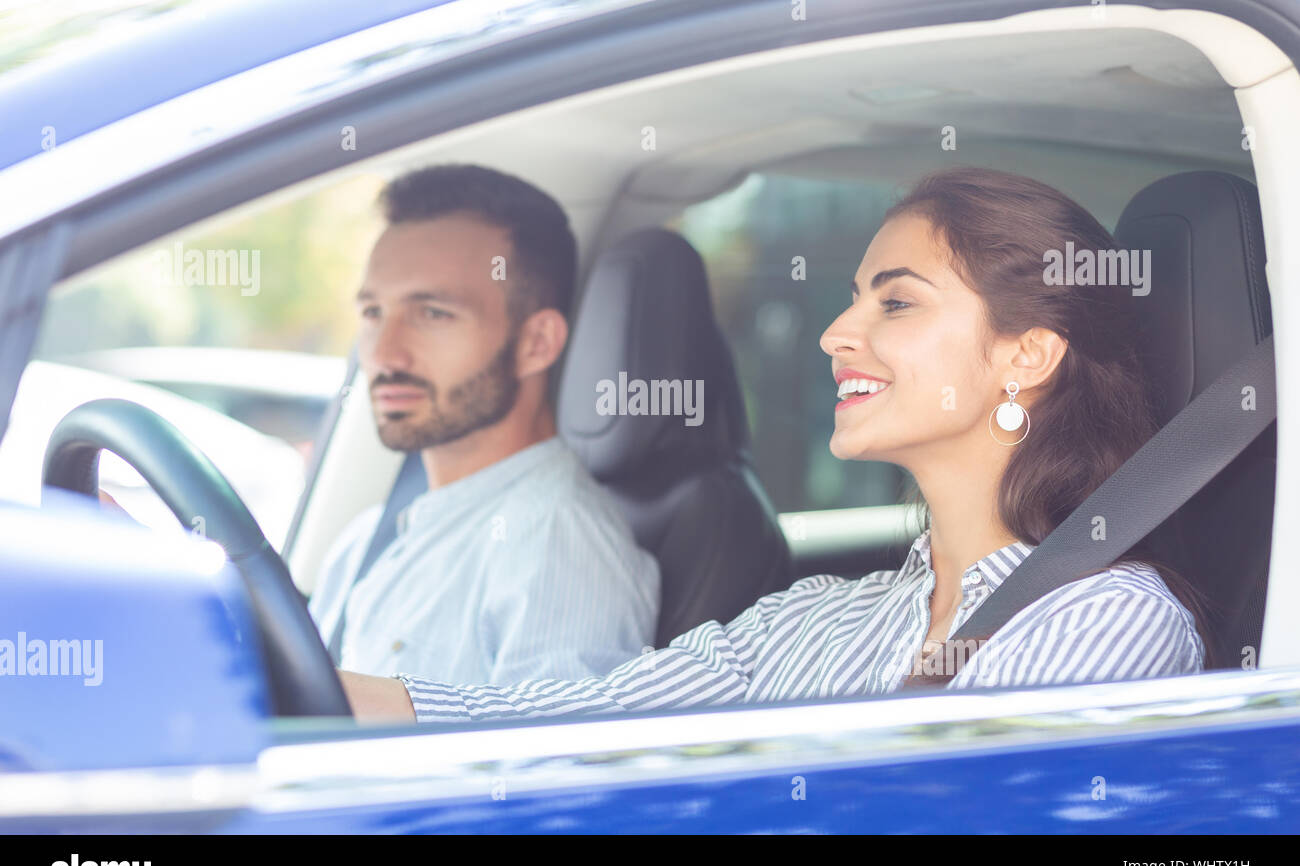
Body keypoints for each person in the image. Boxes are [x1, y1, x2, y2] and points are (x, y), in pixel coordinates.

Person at [338, 166, 1206, 723]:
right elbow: (579, 722)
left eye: (895, 302)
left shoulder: (1108, 620)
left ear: (1028, 355)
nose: (836, 333)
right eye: (853, 299)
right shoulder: (813, 618)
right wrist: (316, 697)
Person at [308, 164, 659, 684]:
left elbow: (558, 738)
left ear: (537, 343)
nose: (383, 354)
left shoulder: (556, 546)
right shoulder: (368, 538)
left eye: (433, 313)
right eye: (373, 313)